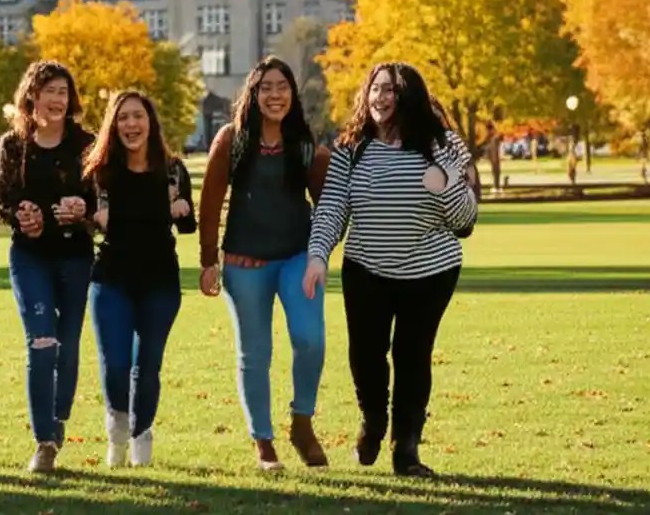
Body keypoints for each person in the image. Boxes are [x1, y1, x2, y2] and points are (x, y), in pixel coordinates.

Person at [306, 61, 478, 478]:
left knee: (411, 355)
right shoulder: (353, 145)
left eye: (392, 91)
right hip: (366, 268)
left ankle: (407, 450)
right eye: (376, 89)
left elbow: (464, 222)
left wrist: (445, 184)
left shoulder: (442, 144)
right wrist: (317, 254)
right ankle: (373, 422)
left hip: (430, 271)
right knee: (366, 354)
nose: (382, 98)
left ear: (410, 99)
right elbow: (332, 207)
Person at [197, 56, 332, 471]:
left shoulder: (306, 145)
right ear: (253, 95)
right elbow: (211, 200)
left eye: (283, 87)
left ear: (293, 94)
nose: (275, 95)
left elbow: (327, 208)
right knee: (254, 354)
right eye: (267, 88)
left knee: (310, 339)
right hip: (244, 263)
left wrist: (319, 256)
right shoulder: (231, 140)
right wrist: (207, 261)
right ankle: (263, 440)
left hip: (297, 259)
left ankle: (302, 422)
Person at [0, 61, 96, 473]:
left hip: (75, 256)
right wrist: (23, 213)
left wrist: (81, 210)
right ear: (31, 95)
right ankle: (44, 441)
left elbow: (99, 202)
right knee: (41, 342)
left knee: (67, 345)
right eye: (50, 90)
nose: (57, 99)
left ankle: (59, 418)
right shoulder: (12, 145)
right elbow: (1, 204)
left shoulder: (86, 143)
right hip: (30, 257)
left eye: (63, 92)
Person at [84, 91, 196, 468]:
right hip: (111, 279)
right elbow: (86, 221)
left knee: (146, 366)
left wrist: (179, 209)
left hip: (160, 282)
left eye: (138, 117)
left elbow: (188, 224)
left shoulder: (171, 170)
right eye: (123, 118)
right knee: (115, 363)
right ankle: (117, 429)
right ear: (113, 127)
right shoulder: (101, 173)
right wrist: (90, 217)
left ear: (151, 122)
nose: (131, 125)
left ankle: (141, 436)